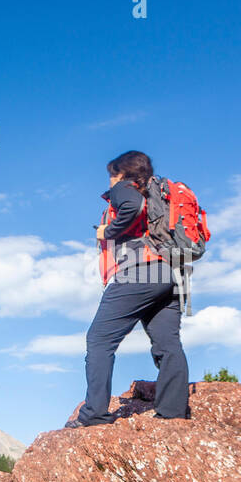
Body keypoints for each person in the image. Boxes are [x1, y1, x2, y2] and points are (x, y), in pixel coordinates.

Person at [66, 150, 190, 427]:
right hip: (169, 274)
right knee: (168, 344)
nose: (110, 182)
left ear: (120, 173)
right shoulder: (158, 194)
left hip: (138, 271)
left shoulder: (126, 188)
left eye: (111, 175)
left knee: (99, 340)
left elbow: (131, 208)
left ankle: (94, 414)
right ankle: (173, 415)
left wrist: (107, 231)